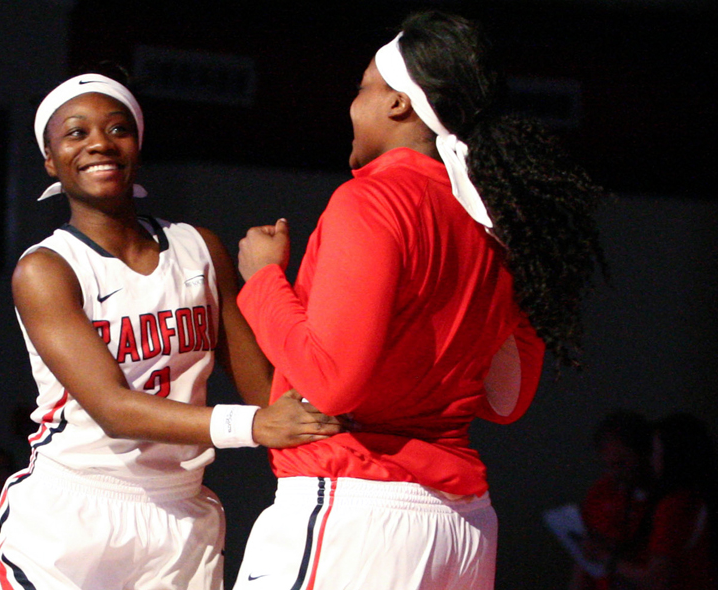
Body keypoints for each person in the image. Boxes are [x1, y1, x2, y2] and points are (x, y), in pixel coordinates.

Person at [233, 10, 606, 590]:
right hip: (462, 526)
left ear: (399, 103)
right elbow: (505, 400)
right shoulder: (496, 219)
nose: (352, 106)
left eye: (362, 89)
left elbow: (332, 383)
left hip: (356, 507)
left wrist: (261, 281)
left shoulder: (374, 200)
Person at [0, 70, 342, 590]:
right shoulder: (47, 268)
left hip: (182, 511)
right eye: (76, 133)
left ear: (137, 143)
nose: (98, 144)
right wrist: (254, 426)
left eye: (117, 129)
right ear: (50, 159)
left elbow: (262, 385)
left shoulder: (198, 247)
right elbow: (113, 409)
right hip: (74, 509)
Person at [609, 413, 718, 590]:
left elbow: (656, 580)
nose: (651, 459)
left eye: (656, 452)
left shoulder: (676, 504)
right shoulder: (700, 496)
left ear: (673, 456)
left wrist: (607, 559)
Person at [570, 411, 653, 590]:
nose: (614, 473)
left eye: (621, 463)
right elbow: (582, 561)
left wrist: (606, 556)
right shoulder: (601, 492)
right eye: (608, 465)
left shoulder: (662, 500)